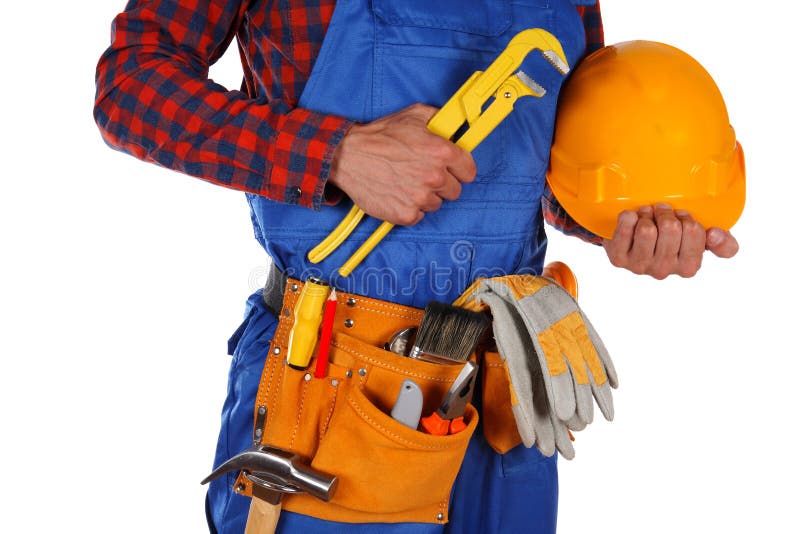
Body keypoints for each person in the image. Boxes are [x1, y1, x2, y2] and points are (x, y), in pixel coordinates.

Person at [94, 1, 739, 533]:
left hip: (509, 397)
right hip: (330, 396)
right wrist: (336, 154)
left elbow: (543, 167)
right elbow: (130, 86)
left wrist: (625, 221)